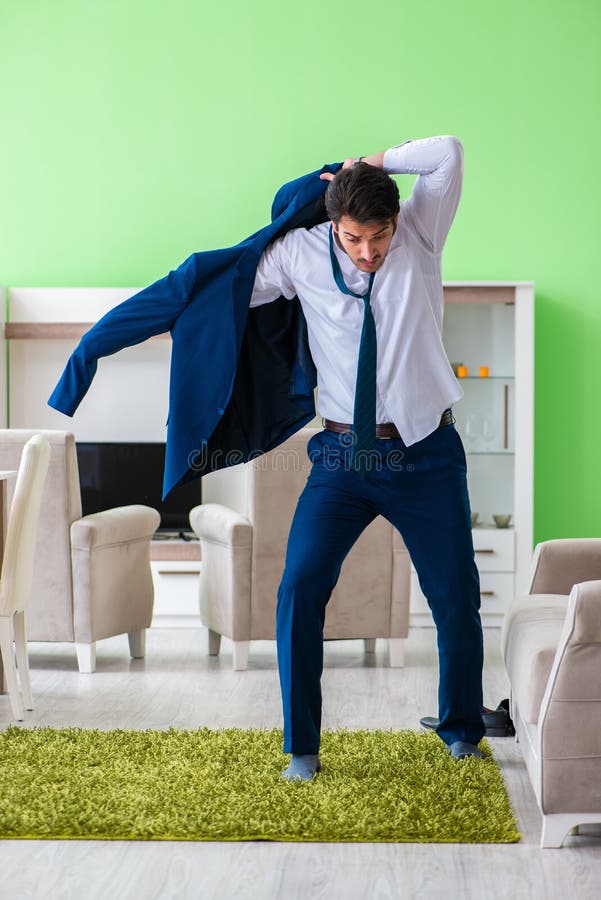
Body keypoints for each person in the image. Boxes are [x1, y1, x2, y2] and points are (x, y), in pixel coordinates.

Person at [249, 136, 486, 781]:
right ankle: (302, 747)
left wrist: (370, 164)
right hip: (341, 458)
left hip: (425, 452)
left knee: (455, 594)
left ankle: (462, 728)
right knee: (299, 587)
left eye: (377, 236)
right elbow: (236, 291)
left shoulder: (421, 233)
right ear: (334, 224)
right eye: (354, 238)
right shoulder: (299, 255)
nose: (368, 251)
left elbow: (447, 154)